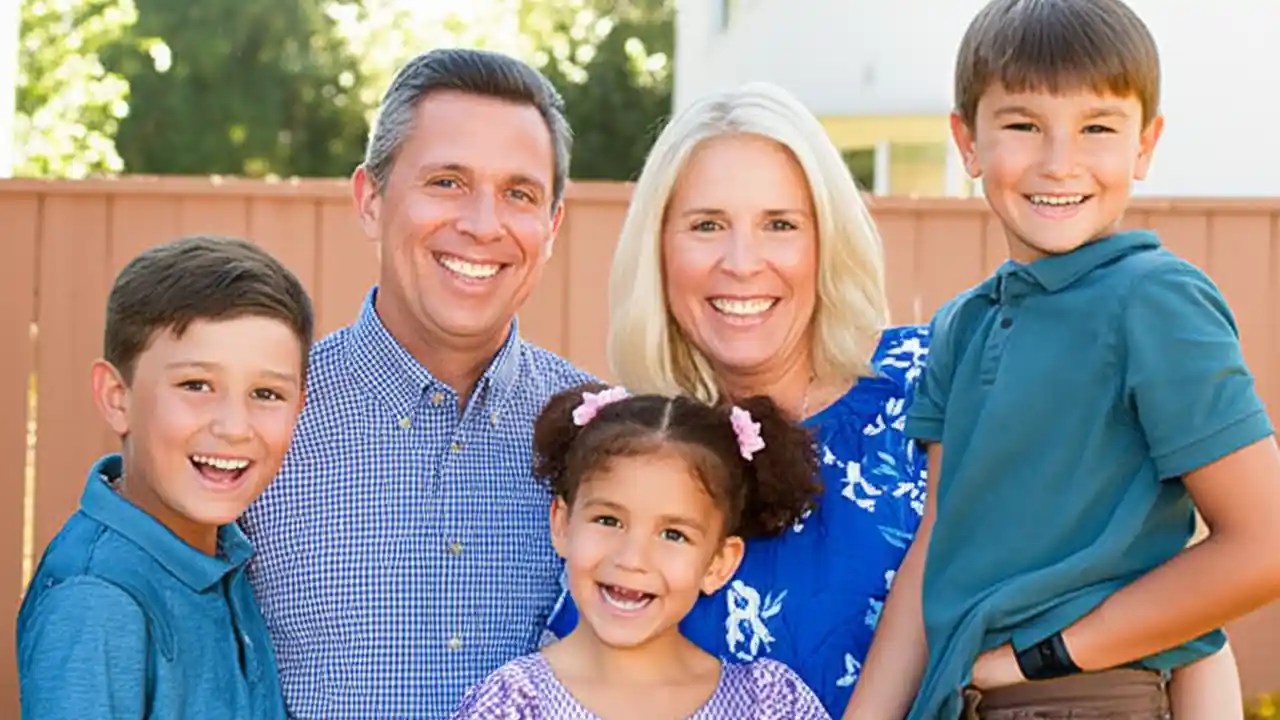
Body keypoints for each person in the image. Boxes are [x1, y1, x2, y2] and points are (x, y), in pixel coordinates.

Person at [844, 1, 1280, 718]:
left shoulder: (1155, 301)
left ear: (1145, 144)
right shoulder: (962, 325)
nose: (1058, 162)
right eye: (1022, 126)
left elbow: (1263, 545)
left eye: (1097, 128)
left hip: (1086, 691)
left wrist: (1042, 656)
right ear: (967, 141)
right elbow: (936, 545)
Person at [544, 81, 931, 716]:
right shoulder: (635, 457)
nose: (742, 262)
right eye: (707, 225)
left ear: (826, 241)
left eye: (780, 225)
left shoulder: (928, 383)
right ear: (659, 248)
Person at [239, 47, 595, 718]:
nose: (482, 224)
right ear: (370, 200)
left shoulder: (607, 436)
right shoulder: (259, 421)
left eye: (519, 193)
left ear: (551, 227)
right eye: (448, 182)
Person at [17, 236, 313, 718]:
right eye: (196, 385)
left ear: (300, 406)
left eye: (266, 394)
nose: (234, 427)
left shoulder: (224, 551)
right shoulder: (97, 602)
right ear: (117, 397)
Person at [454, 384, 830, 719]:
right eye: (608, 520)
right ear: (563, 524)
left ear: (719, 562)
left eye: (673, 534)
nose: (632, 559)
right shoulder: (513, 705)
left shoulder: (767, 704)